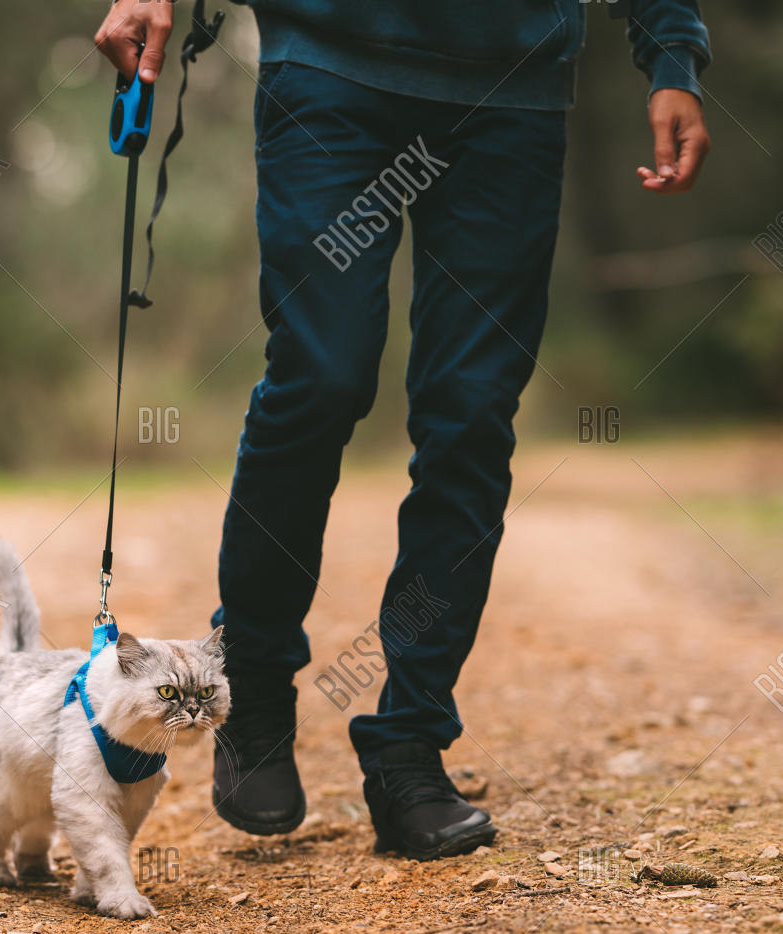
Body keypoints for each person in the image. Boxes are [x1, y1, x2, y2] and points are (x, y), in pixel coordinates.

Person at [94, 0, 712, 860]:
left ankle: (410, 745)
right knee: (321, 374)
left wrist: (672, 53)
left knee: (472, 414)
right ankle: (259, 685)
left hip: (514, 87)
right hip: (330, 60)